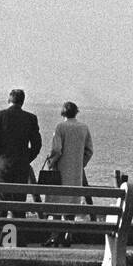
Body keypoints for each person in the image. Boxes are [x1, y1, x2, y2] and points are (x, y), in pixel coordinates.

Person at [0, 88, 43, 244]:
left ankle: (0, 237)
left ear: (8, 100)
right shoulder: (30, 118)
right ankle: (16, 238)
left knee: (2, 201)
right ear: (22, 101)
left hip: (2, 165)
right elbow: (37, 145)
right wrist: (27, 158)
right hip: (21, 165)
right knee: (19, 202)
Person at [42, 101, 94, 247]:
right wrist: (80, 163)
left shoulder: (60, 127)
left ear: (63, 112)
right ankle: (67, 235)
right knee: (71, 202)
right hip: (76, 172)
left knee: (57, 203)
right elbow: (89, 150)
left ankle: (54, 236)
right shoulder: (84, 128)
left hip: (60, 171)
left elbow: (57, 149)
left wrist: (51, 162)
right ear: (76, 112)